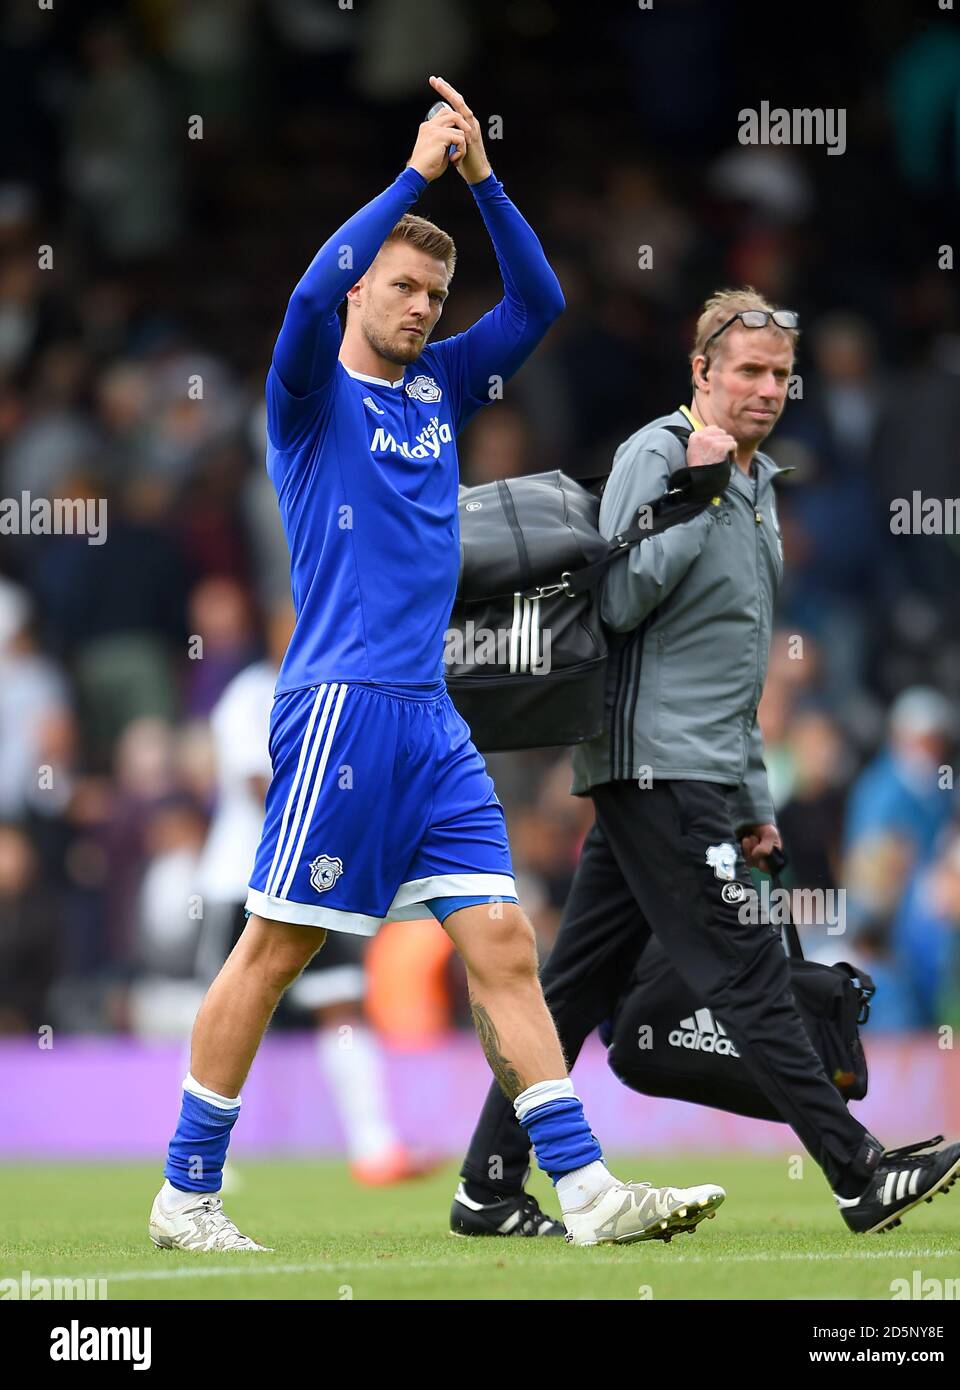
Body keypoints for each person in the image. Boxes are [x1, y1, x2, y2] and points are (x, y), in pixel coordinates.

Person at [148, 78, 725, 1252]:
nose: (419, 307)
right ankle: (186, 1193)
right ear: (362, 287)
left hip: (431, 715)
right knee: (276, 946)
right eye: (401, 287)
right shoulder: (308, 395)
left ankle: (587, 1188)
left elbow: (540, 299)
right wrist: (414, 174)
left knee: (504, 942)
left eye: (432, 293)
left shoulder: (440, 383)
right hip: (343, 707)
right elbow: (308, 292)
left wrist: (481, 181)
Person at [450, 289, 960, 1239]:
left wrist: (757, 801)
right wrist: (694, 494)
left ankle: (488, 1185)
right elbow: (616, 601)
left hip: (694, 770)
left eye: (780, 374)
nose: (767, 388)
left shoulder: (760, 481)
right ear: (702, 372)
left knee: (572, 990)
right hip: (658, 767)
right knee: (747, 973)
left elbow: (737, 671)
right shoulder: (658, 453)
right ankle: (859, 1173)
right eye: (749, 371)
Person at [194, 602, 435, 1186]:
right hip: (243, 878)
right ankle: (199, 1154)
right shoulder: (250, 695)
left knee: (341, 1004)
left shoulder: (340, 694)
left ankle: (375, 1147)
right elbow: (260, 786)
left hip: (316, 876)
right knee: (225, 1004)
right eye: (294, 623)